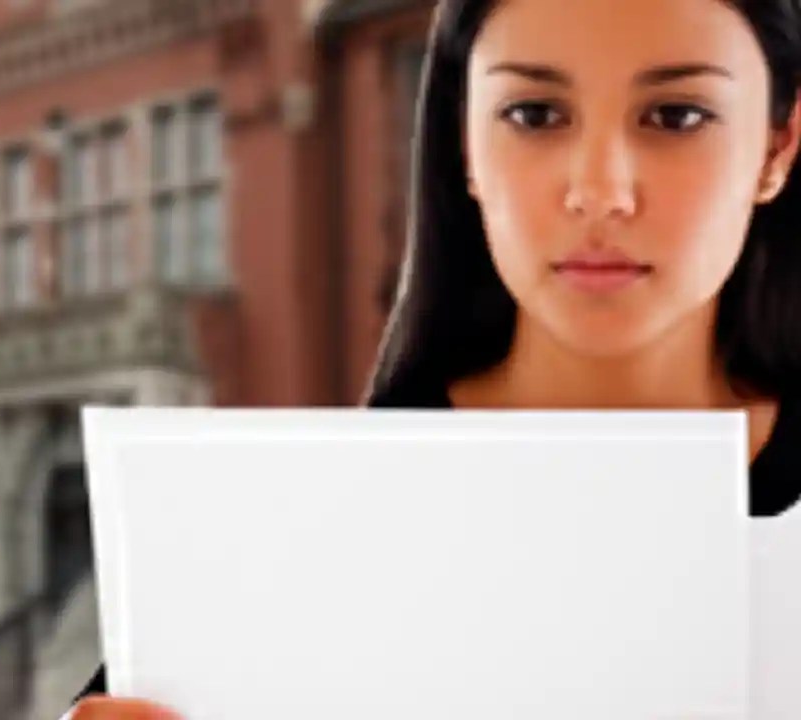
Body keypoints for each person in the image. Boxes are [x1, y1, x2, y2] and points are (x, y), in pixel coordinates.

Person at [63, 0, 801, 716]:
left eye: (677, 117)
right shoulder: (292, 530)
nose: (599, 192)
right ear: (464, 145)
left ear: (778, 147)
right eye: (534, 115)